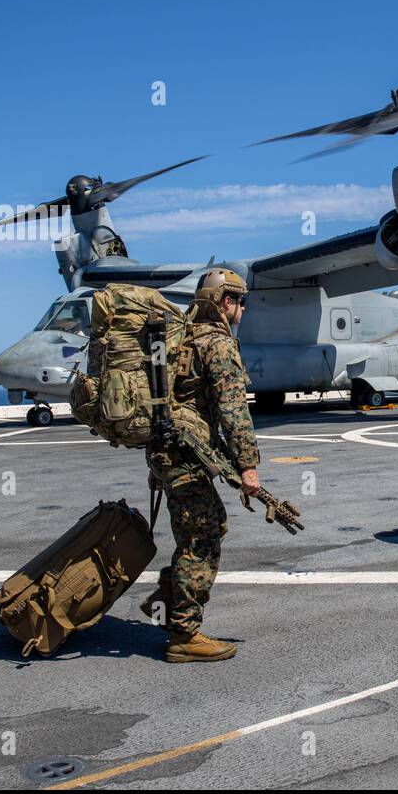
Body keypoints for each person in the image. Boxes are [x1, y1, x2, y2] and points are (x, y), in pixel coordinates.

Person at [139, 268, 263, 663]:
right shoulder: (217, 345)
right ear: (226, 302)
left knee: (205, 527)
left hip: (166, 452)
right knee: (202, 538)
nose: (243, 308)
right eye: (240, 301)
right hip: (185, 455)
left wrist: (158, 467)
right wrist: (248, 467)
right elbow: (234, 412)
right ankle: (184, 634)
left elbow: (163, 401)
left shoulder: (180, 340)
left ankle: (169, 598)